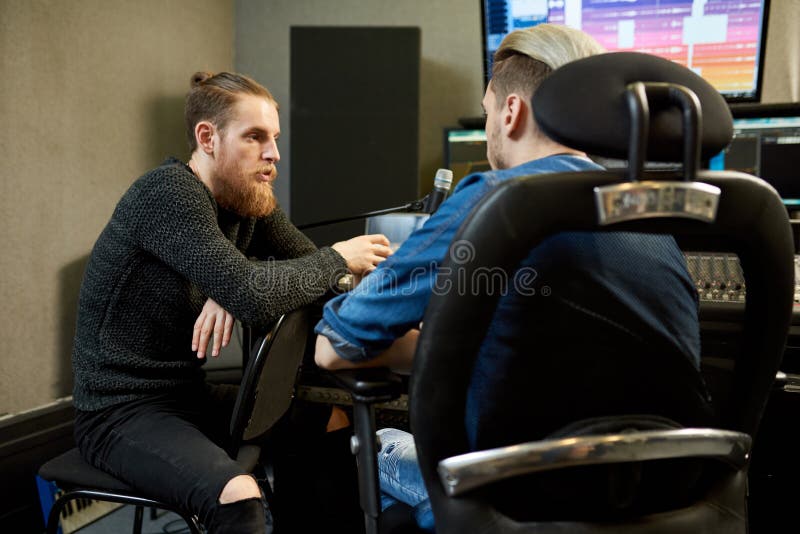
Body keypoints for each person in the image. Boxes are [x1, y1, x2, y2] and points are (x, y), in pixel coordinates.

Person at [314, 24, 713, 531]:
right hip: (665, 496)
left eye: (486, 114)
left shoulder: (492, 200)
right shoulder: (651, 219)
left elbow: (335, 347)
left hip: (525, 499)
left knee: (370, 448)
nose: (487, 130)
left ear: (511, 111)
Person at [71, 71, 392, 533]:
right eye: (255, 137)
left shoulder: (249, 202)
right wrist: (326, 259)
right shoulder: (167, 193)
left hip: (185, 395)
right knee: (238, 494)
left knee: (331, 422)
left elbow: (300, 276)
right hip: (119, 413)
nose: (273, 154)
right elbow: (264, 290)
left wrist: (242, 283)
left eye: (275, 139)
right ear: (208, 137)